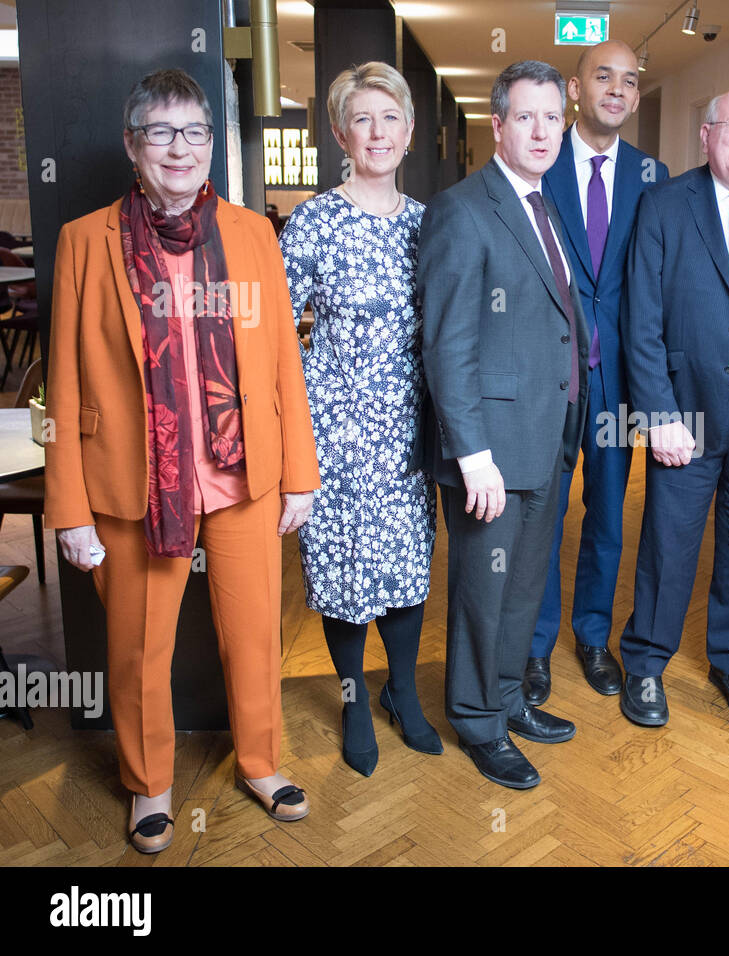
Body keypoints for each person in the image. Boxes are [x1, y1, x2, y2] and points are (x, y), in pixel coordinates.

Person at [45, 68, 321, 854]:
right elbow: (62, 385)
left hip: (242, 476)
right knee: (137, 651)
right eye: (160, 132)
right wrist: (67, 508)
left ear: (213, 144)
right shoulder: (83, 242)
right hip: (132, 486)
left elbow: (281, 369)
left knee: (254, 633)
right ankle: (149, 786)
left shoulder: (252, 234)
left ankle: (262, 764)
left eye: (195, 132)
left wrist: (300, 471)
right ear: (133, 145)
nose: (180, 148)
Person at [417, 60, 589, 790]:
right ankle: (478, 720)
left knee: (523, 583)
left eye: (554, 117)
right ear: (499, 124)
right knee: (485, 590)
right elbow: (446, 342)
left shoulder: (544, 206)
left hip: (547, 437)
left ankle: (511, 697)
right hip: (490, 447)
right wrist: (472, 453)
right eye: (527, 116)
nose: (543, 130)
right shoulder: (463, 208)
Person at [618, 87, 729, 728]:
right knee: (669, 543)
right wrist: (658, 414)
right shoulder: (666, 203)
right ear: (707, 133)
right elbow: (640, 319)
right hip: (687, 410)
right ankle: (643, 663)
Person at [279, 62, 440, 778]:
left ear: (409, 132)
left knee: (406, 567)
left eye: (390, 118)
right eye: (362, 119)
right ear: (343, 132)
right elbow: (276, 330)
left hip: (409, 425)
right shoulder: (317, 217)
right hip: (336, 428)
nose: (377, 132)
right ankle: (352, 698)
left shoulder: (429, 224)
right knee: (344, 573)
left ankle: (402, 692)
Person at [524, 39, 669, 705]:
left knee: (607, 514)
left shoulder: (653, 177)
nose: (617, 88)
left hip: (618, 382)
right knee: (542, 515)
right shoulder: (538, 164)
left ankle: (591, 634)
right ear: (576, 89)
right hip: (548, 375)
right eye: (602, 75)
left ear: (636, 96)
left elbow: (658, 282)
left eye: (630, 81)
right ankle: (532, 646)